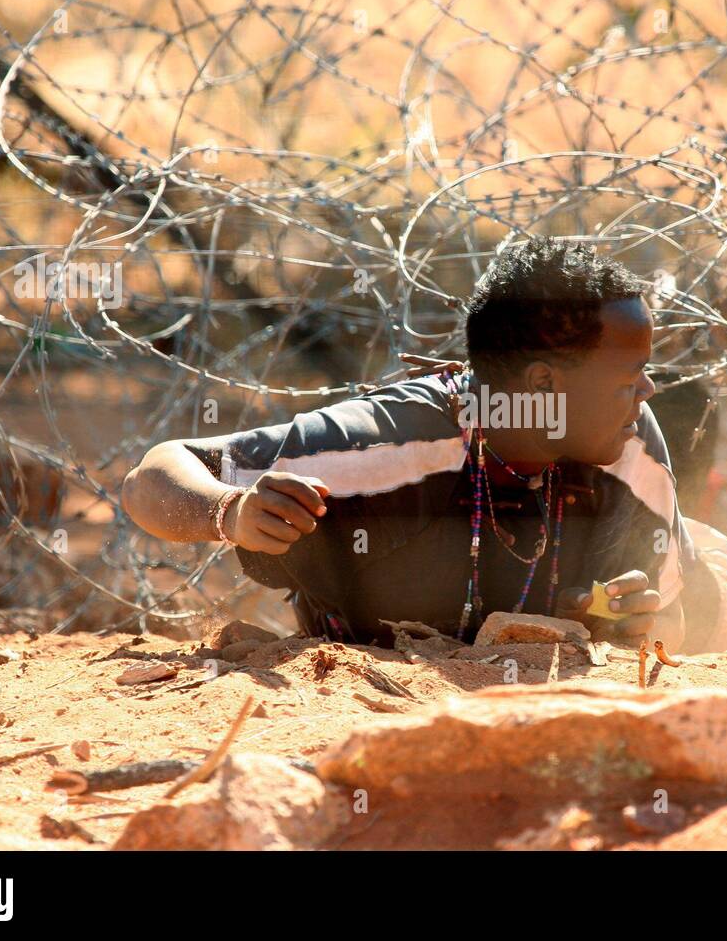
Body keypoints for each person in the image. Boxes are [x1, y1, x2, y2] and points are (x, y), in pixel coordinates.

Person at [122, 237, 697, 649]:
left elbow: (677, 630)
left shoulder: (631, 447)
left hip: (714, 566)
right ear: (543, 382)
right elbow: (151, 478)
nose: (647, 390)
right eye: (630, 376)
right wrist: (232, 512)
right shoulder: (383, 447)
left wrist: (621, 621)